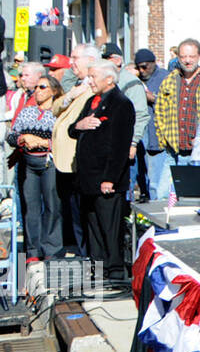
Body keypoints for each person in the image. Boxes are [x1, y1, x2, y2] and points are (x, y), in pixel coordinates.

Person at [69, 60, 136, 282]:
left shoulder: (121, 103)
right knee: (94, 226)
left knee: (110, 227)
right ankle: (99, 271)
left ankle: (115, 270)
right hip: (88, 178)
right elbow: (73, 127)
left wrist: (110, 178)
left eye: (93, 77)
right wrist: (79, 126)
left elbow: (119, 145)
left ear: (109, 78)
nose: (89, 81)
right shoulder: (92, 100)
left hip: (106, 178)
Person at [8, 70, 63, 261]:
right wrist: (23, 137)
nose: (37, 91)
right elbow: (11, 135)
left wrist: (40, 142)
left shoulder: (59, 114)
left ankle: (51, 249)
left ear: (53, 91)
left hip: (50, 162)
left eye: (42, 87)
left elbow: (64, 141)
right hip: (28, 163)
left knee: (51, 206)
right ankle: (32, 251)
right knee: (30, 207)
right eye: (36, 87)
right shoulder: (27, 111)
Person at [51, 43, 100, 257]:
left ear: (90, 60)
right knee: (71, 209)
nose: (71, 63)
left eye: (75, 58)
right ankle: (78, 250)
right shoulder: (78, 85)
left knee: (82, 212)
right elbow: (55, 107)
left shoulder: (95, 86)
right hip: (64, 161)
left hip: (79, 159)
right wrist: (72, 94)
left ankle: (86, 254)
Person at [154, 39, 200, 181]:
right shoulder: (169, 80)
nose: (187, 61)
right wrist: (163, 138)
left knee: (191, 197)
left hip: (199, 152)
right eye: (183, 57)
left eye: (191, 56)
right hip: (173, 150)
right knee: (162, 196)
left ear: (199, 56)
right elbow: (159, 110)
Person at [102, 42, 149, 197]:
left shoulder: (130, 82)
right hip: (106, 147)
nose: (103, 62)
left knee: (125, 192)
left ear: (117, 60)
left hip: (125, 144)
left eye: (106, 58)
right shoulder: (100, 81)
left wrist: (133, 142)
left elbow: (140, 115)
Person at [132, 49, 167, 200]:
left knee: (156, 182)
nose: (141, 70)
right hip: (140, 136)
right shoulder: (136, 79)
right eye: (138, 67)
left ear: (153, 63)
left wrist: (153, 98)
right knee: (143, 178)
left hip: (157, 136)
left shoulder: (165, 77)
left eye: (145, 66)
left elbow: (171, 104)